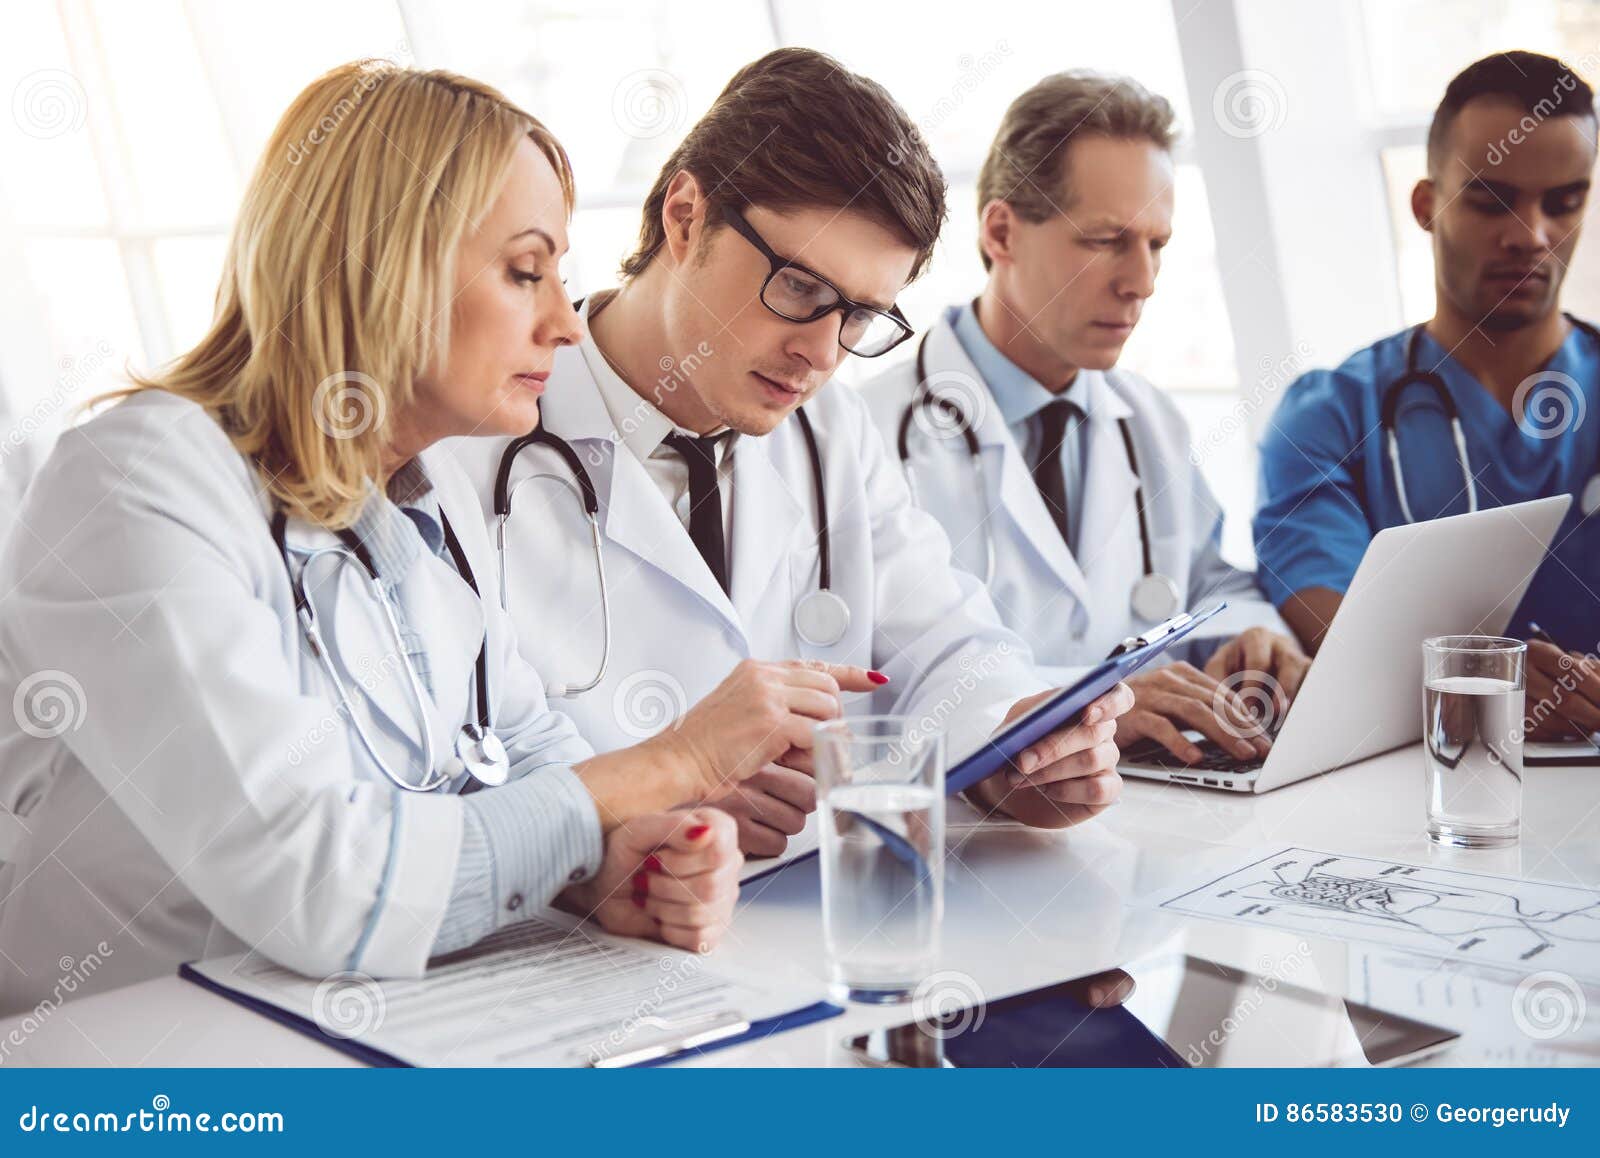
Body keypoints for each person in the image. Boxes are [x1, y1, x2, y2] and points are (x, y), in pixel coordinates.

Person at [0, 61, 857, 1016]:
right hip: (130, 1061)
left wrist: (610, 864)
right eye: (526, 272)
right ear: (380, 262)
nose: (567, 325)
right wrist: (678, 762)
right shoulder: (140, 477)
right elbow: (323, 884)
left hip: (367, 1026)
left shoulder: (409, 502)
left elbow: (526, 749)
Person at [453, 48, 1134, 856]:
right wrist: (645, 804)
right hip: (586, 942)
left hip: (807, 932)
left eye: (859, 316)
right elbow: (456, 768)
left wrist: (1015, 742)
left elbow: (944, 639)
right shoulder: (476, 438)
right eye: (801, 291)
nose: (822, 353)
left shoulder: (830, 432)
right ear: (684, 215)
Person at [861, 71, 1307, 768]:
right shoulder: (869, 431)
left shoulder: (1148, 419)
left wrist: (1253, 634)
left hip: (1155, 813)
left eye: (1157, 245)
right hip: (972, 831)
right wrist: (1097, 702)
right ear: (1002, 232)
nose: (1142, 282)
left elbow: (1210, 579)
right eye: (1106, 241)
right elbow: (871, 683)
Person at [1253, 51, 1599, 739]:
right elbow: (1341, 639)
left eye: (1563, 203)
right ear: (1425, 204)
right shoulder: (1326, 415)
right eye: (1491, 199)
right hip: (1416, 806)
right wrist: (1493, 681)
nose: (1530, 236)